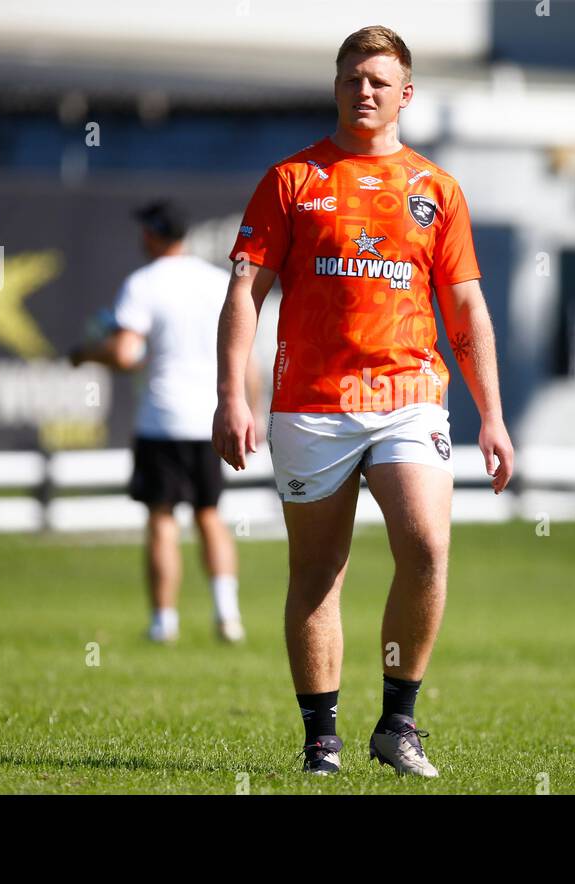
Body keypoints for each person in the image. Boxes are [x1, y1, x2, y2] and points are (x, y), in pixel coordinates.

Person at [212, 26, 514, 777]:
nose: (364, 90)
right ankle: (322, 741)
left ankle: (399, 723)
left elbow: (467, 312)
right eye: (352, 77)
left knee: (427, 546)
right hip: (311, 403)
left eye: (379, 79)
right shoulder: (292, 180)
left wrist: (495, 417)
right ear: (337, 87)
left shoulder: (436, 191)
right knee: (319, 573)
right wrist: (232, 396)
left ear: (406, 93)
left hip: (410, 394)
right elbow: (245, 293)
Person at [73, 200, 255, 645]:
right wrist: (249, 406)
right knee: (210, 515)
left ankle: (163, 622)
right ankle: (227, 616)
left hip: (162, 419)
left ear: (153, 234)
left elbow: (124, 353)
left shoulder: (143, 284)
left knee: (162, 520)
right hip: (212, 417)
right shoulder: (217, 282)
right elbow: (245, 353)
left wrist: (84, 354)